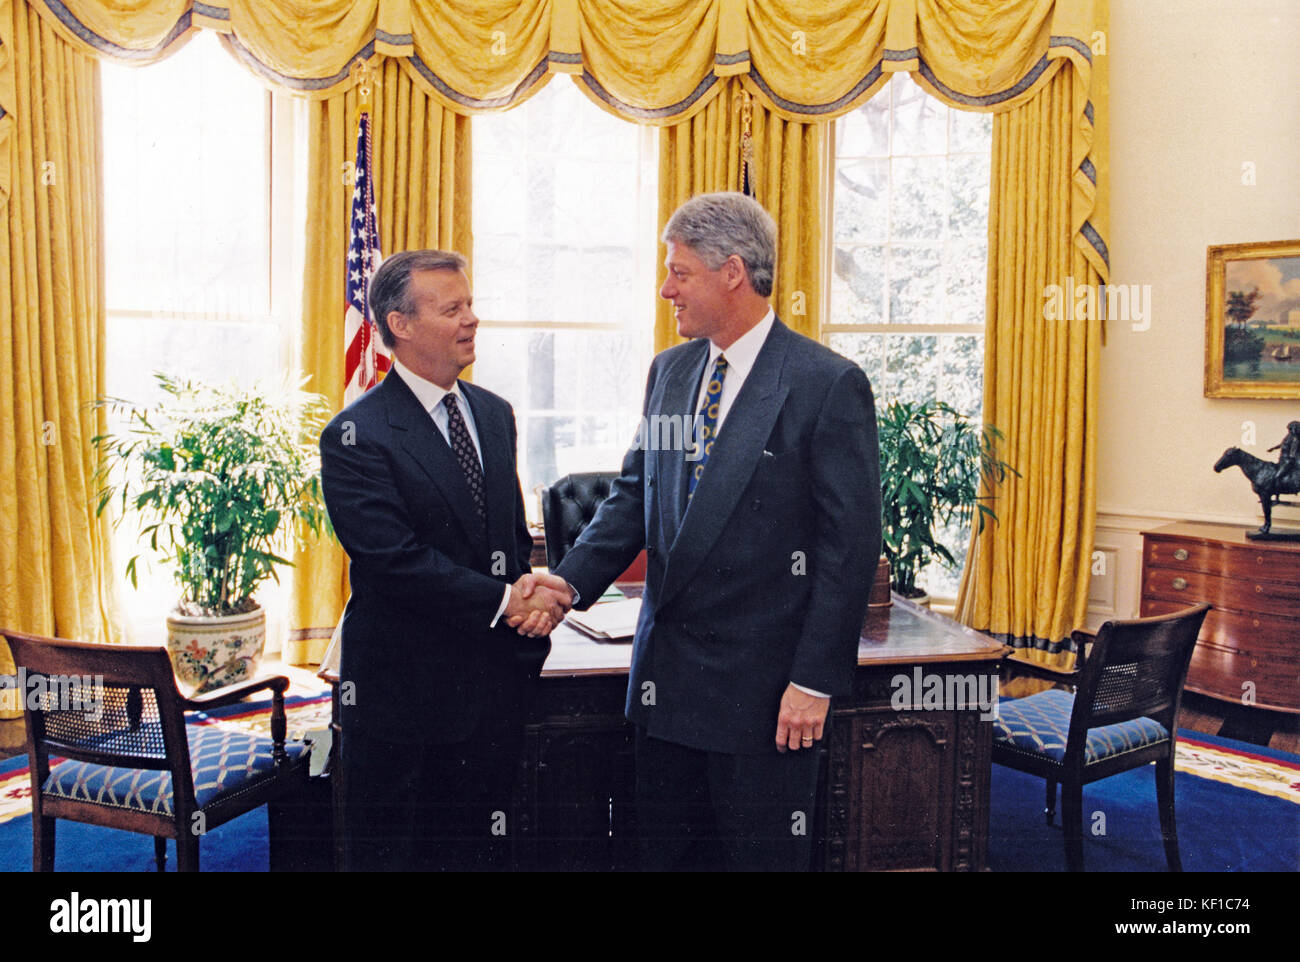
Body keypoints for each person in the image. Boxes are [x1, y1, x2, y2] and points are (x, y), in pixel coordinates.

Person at [527, 192, 883, 870]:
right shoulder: (672, 371)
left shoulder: (825, 383)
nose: (666, 289)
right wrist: (566, 583)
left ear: (732, 271)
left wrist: (814, 680)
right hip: (665, 687)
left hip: (764, 696)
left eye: (679, 272)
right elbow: (633, 498)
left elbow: (848, 550)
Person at [319, 249, 569, 871]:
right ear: (400, 325)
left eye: (471, 305)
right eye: (452, 308)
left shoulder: (493, 413)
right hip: (405, 699)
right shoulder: (356, 435)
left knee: (479, 853)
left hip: (491, 688)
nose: (472, 320)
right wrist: (510, 601)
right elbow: (393, 561)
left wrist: (527, 590)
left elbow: (509, 536)